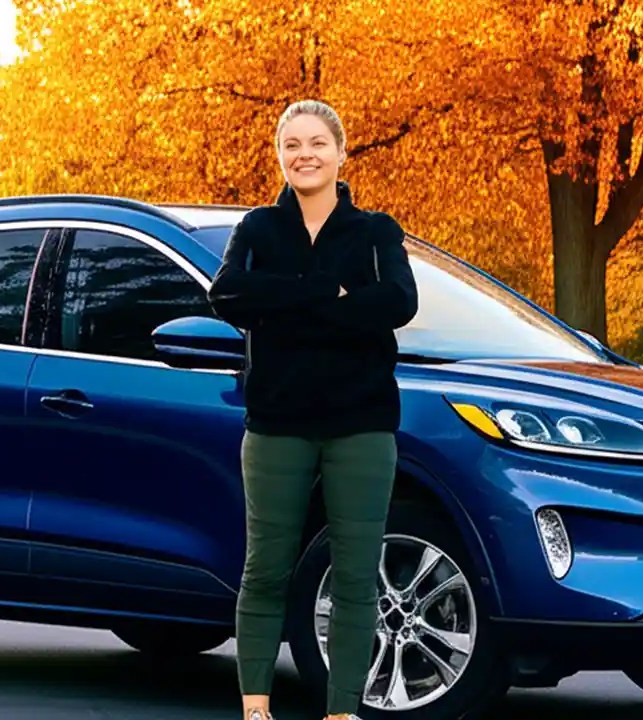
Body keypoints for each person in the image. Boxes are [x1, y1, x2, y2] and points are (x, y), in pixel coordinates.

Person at [207, 99, 419, 720]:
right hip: (276, 424)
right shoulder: (257, 230)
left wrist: (283, 306)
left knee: (357, 575)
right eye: (292, 145)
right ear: (280, 155)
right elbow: (228, 295)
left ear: (341, 152)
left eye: (317, 143)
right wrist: (330, 291)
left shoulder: (376, 232)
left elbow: (397, 304)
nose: (305, 155)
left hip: (362, 424)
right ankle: (255, 708)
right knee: (265, 568)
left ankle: (343, 711)